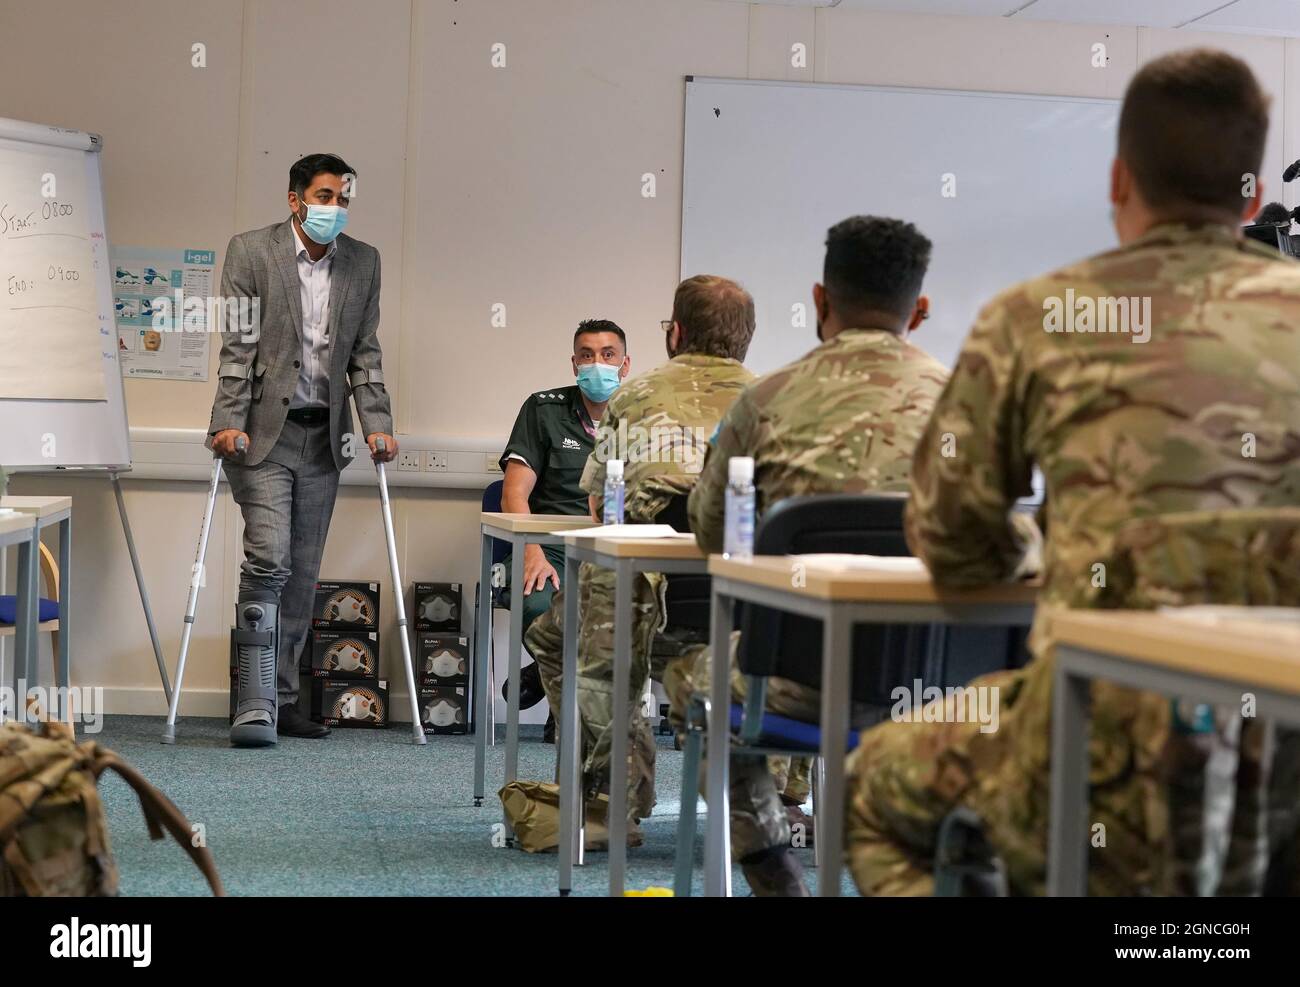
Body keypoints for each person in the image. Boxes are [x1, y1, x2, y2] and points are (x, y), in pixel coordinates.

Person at [846, 48, 1300, 896]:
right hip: (1287, 781)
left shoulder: (1036, 319)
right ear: (1251, 193)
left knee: (867, 791)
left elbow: (950, 540)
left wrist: (1039, 545)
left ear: (1119, 180)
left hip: (1092, 765)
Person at [666, 216, 947, 895]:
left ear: (821, 301)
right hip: (944, 687)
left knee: (687, 678)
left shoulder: (763, 399)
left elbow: (710, 529)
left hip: (798, 682)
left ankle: (771, 866)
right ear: (922, 309)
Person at [524, 275, 756, 827]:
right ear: (747, 337)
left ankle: (615, 797)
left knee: (556, 638)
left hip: (648, 613)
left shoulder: (635, 396)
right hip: (752, 618)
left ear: (675, 333)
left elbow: (604, 511)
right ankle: (783, 797)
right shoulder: (778, 399)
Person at [210, 153, 396, 747]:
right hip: (264, 432)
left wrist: (378, 424)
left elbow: (365, 354)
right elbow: (237, 348)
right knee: (270, 555)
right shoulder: (250, 251)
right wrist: (226, 421)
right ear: (295, 199)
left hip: (324, 437)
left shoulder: (363, 262)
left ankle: (283, 697)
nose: (333, 208)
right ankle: (253, 700)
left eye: (343, 198)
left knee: (303, 572)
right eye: (323, 197)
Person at [498, 320, 630, 739]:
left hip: (615, 547)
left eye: (608, 355)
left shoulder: (643, 415)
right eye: (587, 355)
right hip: (550, 547)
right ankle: (567, 708)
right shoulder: (543, 408)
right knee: (540, 606)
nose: (598, 364)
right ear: (574, 363)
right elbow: (514, 494)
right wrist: (531, 549)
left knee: (623, 614)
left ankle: (545, 677)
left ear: (625, 365)